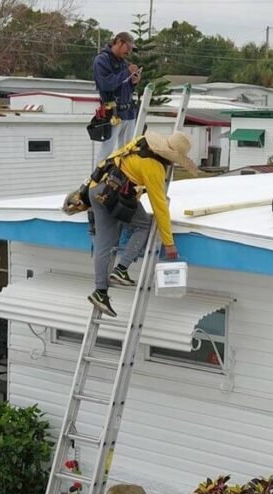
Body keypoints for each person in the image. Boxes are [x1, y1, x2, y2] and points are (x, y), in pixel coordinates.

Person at [85, 131, 197, 317]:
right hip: (113, 196)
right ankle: (121, 269)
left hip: (96, 187)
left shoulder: (141, 142)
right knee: (143, 224)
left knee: (103, 245)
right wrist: (169, 243)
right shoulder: (154, 167)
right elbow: (159, 206)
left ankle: (100, 291)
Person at [93, 32, 141, 166]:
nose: (129, 52)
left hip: (128, 112)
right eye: (128, 48)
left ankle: (122, 181)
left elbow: (126, 88)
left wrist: (134, 81)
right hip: (113, 112)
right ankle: (96, 180)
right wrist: (126, 73)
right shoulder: (102, 60)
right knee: (106, 151)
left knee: (127, 151)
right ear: (119, 42)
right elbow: (106, 84)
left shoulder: (124, 63)